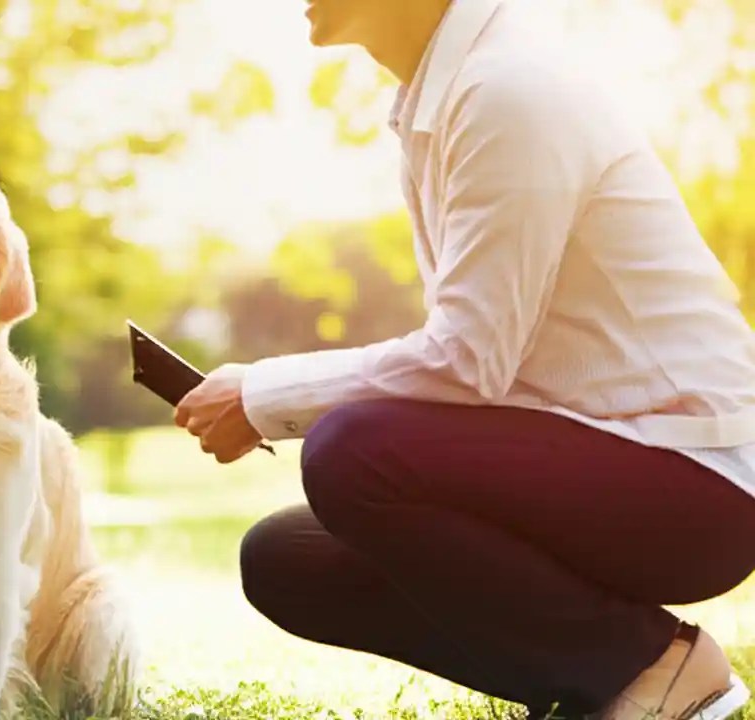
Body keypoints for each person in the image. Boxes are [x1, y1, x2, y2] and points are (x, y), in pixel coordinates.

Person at [173, 0, 755, 718]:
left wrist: (261, 394)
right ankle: (593, 685)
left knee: (352, 453)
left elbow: (468, 359)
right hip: (604, 450)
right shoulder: (443, 98)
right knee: (287, 559)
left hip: (694, 484)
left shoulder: (508, 91)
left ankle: (654, 668)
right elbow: (481, 359)